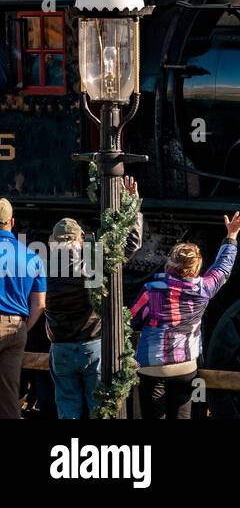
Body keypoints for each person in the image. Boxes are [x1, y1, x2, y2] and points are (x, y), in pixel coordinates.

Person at [131, 211, 240, 419]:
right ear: (196, 268)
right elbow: (223, 268)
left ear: (169, 264)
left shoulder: (151, 290)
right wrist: (232, 236)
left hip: (152, 365)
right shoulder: (204, 289)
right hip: (185, 366)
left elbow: (131, 320)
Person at [45, 176, 144, 419]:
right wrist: (132, 204)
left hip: (60, 346)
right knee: (99, 409)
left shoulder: (42, 266)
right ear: (79, 239)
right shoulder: (91, 261)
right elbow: (130, 244)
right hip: (92, 344)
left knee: (67, 410)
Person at [0, 197, 46, 420]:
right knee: (9, 396)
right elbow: (39, 304)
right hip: (17, 328)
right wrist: (23, 328)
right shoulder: (32, 257)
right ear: (12, 222)